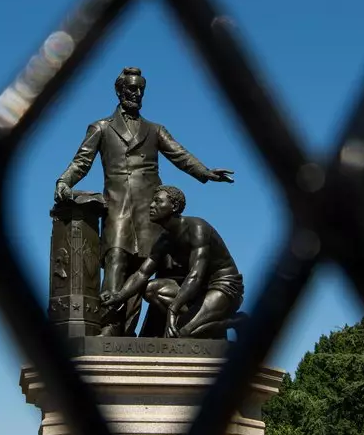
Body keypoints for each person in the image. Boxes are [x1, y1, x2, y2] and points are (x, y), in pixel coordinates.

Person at [55, 67, 234, 336]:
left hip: (150, 211)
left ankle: (140, 331)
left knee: (145, 269)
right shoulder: (101, 127)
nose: (137, 94)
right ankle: (109, 326)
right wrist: (64, 181)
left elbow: (179, 154)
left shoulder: (154, 129)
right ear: (119, 91)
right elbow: (82, 161)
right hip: (117, 206)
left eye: (141, 90)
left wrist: (205, 172)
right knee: (115, 260)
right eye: (131, 89)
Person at [100, 186, 245, 339]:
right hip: (195, 291)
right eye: (152, 202)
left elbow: (195, 275)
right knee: (151, 289)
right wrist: (118, 296)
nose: (151, 205)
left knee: (182, 334)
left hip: (223, 286)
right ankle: (202, 318)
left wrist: (173, 309)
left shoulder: (197, 228)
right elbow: (142, 274)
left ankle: (235, 321)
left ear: (174, 207)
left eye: (158, 202)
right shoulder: (164, 239)